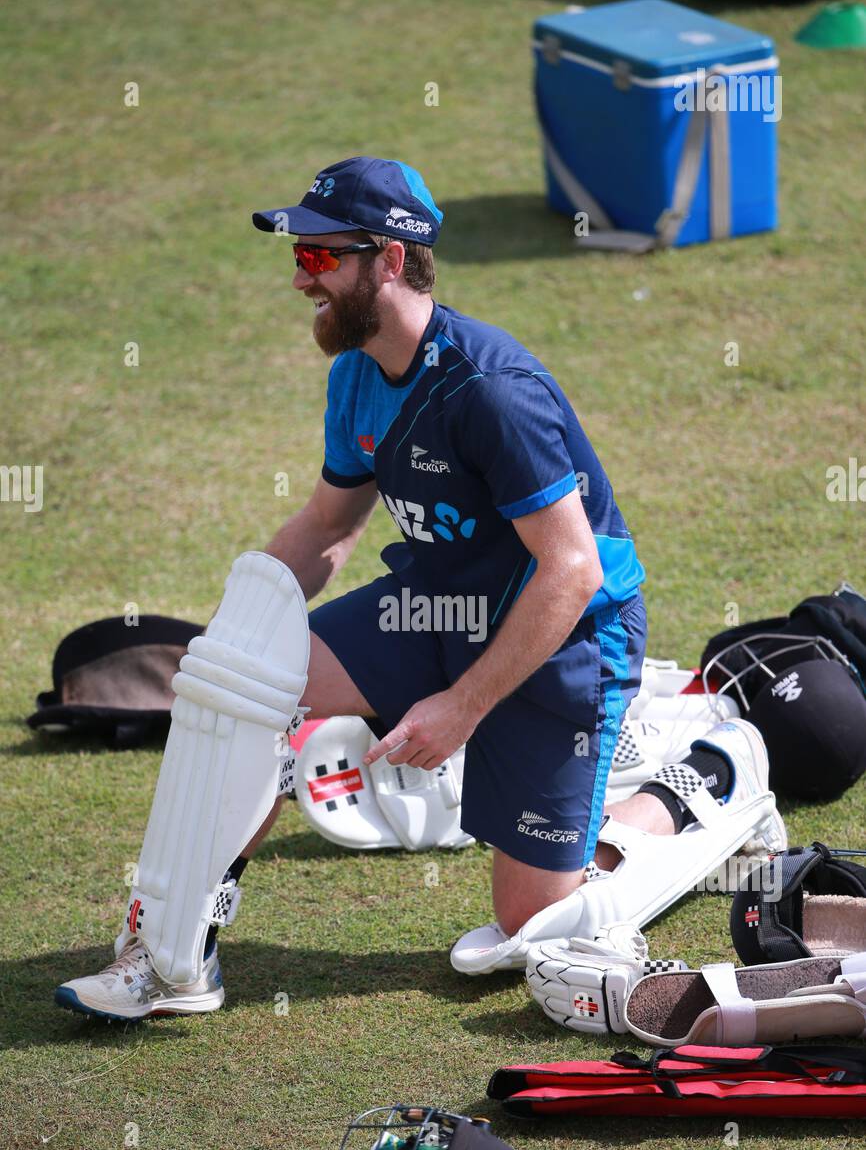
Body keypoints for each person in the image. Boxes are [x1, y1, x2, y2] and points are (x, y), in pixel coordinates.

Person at [55, 157, 778, 1019]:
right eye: (301, 256)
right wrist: (238, 640)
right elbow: (328, 527)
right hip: (435, 602)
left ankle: (706, 779)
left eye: (321, 258)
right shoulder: (357, 374)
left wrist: (464, 707)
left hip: (567, 632)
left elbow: (572, 569)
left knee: (532, 923)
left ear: (390, 260)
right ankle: (177, 949)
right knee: (251, 694)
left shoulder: (492, 391)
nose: (298, 277)